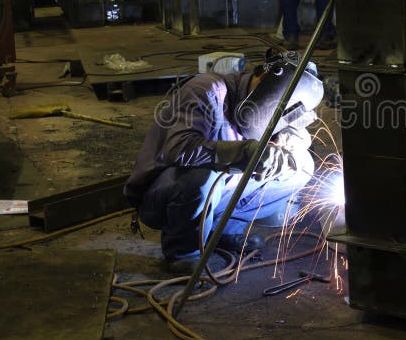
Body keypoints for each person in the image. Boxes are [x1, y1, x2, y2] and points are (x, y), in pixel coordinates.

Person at [124, 51, 323, 275]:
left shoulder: (285, 102)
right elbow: (177, 149)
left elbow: (301, 136)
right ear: (259, 76)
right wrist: (245, 151)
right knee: (203, 176)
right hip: (161, 195)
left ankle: (225, 231)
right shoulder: (207, 90)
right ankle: (183, 254)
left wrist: (286, 142)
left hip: (217, 188)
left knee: (300, 165)